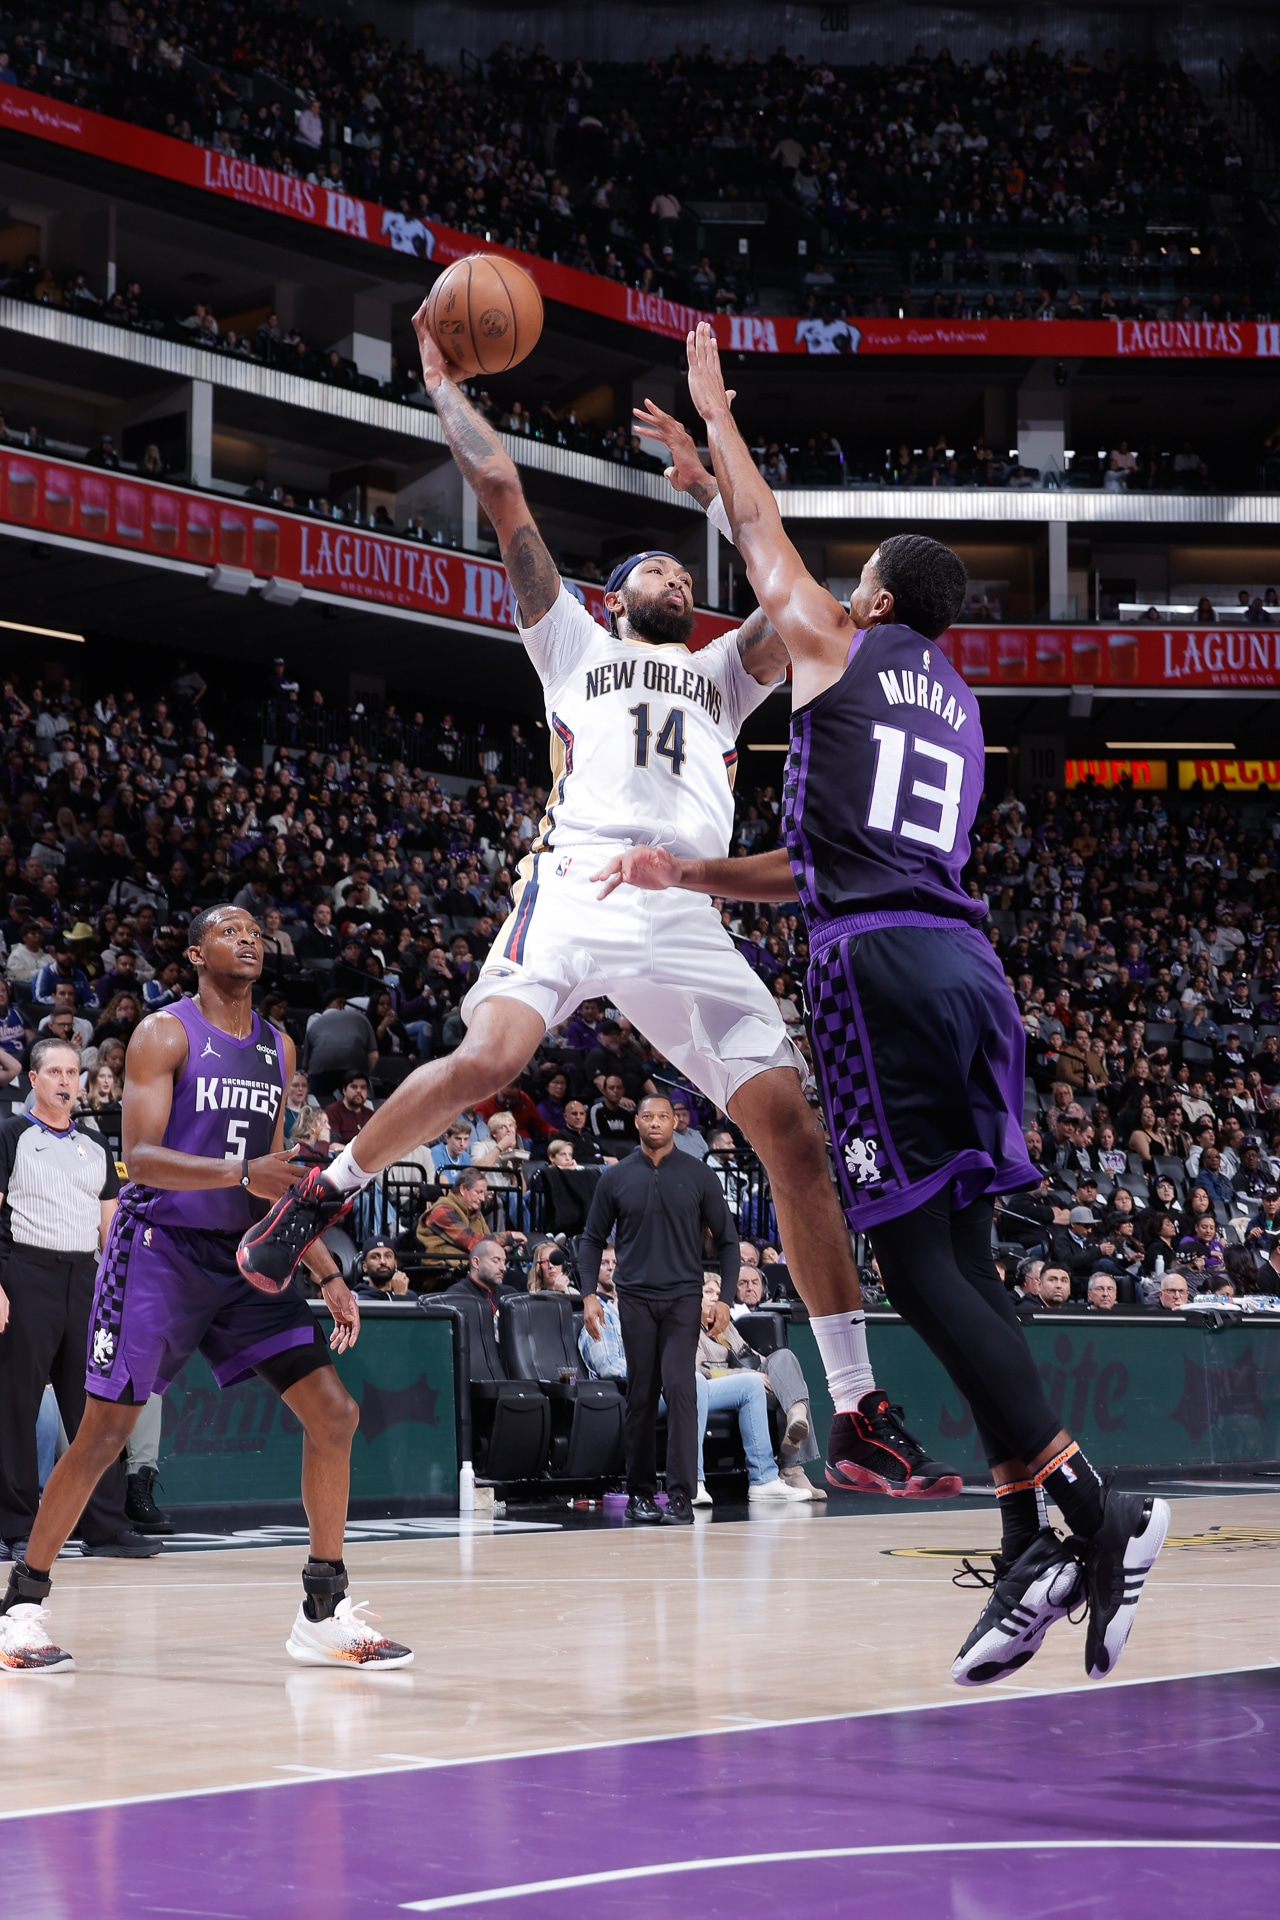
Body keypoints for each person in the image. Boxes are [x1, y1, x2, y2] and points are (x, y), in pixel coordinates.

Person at [237, 303, 952, 1507]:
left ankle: (856, 1409)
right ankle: (330, 1185)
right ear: (617, 597)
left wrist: (714, 489)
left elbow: (795, 609)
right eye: (655, 570)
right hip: (574, 882)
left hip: (683, 910)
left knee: (796, 1141)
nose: (674, 576)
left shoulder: (724, 673)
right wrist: (436, 380)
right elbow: (505, 491)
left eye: (683, 568)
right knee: (488, 1061)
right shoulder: (568, 643)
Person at [610, 319, 1170, 1692]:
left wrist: (715, 432)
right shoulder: (959, 709)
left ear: (868, 603)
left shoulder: (838, 651)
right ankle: (1029, 1540)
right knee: (968, 1266)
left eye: (845, 586)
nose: (832, 595)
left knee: (916, 1272)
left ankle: (1103, 1514)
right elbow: (814, 860)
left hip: (880, 979)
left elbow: (759, 536)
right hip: (968, 971)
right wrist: (691, 871)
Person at [0, 906, 410, 1673]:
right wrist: (241, 1174)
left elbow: (276, 1175)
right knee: (102, 1435)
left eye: (256, 930)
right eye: (229, 930)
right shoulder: (166, 1033)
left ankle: (322, 1609)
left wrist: (323, 1269)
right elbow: (142, 1160)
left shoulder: (278, 1045)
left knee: (334, 1412)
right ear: (196, 952)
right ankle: (21, 1603)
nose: (248, 937)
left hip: (244, 1258)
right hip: (159, 1253)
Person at [0, 1038, 158, 1566]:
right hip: (25, 1272)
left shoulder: (96, 1146)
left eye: (73, 1072)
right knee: (17, 1406)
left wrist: (125, 1290)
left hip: (86, 1280)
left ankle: (107, 1527)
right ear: (34, 1081)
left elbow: (111, 1228)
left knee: (96, 1408)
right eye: (55, 1072)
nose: (67, 1082)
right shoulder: (11, 1136)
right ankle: (17, 1526)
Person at [578, 1094, 739, 1525]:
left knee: (682, 1389)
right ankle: (640, 1495)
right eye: (647, 1116)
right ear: (636, 1123)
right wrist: (589, 1294)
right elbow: (592, 1238)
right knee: (642, 1395)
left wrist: (724, 1299)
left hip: (684, 1298)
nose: (654, 1122)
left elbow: (727, 1241)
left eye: (662, 1116)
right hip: (634, 1298)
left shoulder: (699, 1173)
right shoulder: (616, 1178)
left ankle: (683, 1494)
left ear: (675, 1123)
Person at [352, 1234, 414, 1301]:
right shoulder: (359, 1301)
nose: (383, 1261)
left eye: (388, 1256)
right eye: (375, 1257)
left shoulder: (411, 1296)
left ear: (395, 1264)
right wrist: (400, 1297)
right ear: (364, 1266)